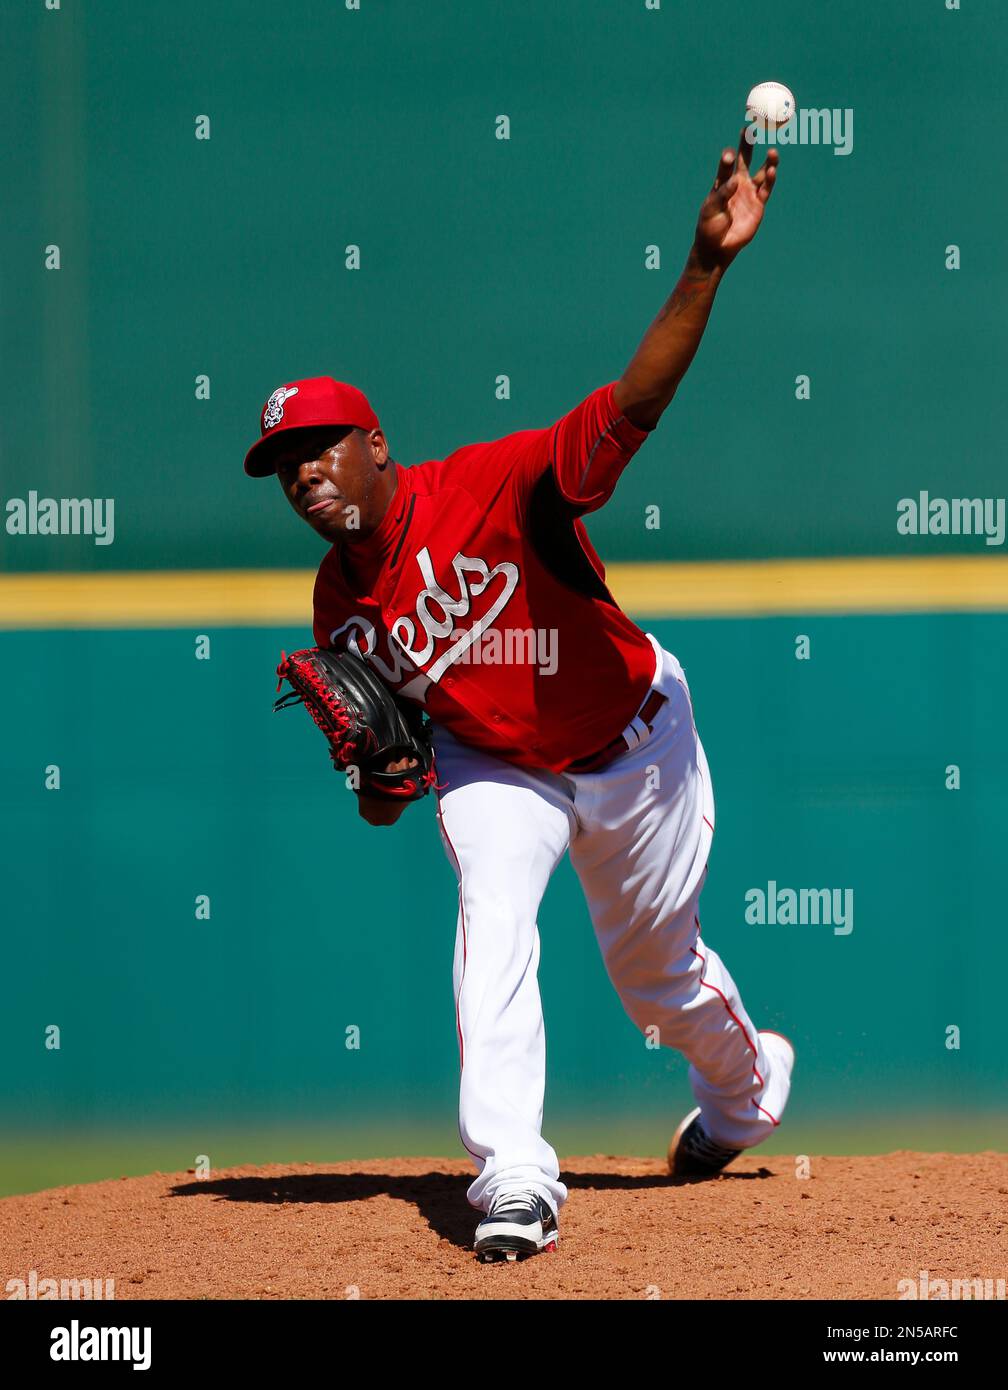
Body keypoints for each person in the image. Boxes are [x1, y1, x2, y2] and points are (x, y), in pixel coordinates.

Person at [244, 133, 794, 1263]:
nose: (303, 473)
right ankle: (513, 1174)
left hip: (635, 741)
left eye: (319, 449)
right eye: (283, 463)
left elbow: (630, 408)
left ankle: (748, 1088)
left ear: (377, 447)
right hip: (503, 767)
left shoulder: (494, 487)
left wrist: (706, 265)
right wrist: (376, 779)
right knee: (492, 914)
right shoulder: (335, 610)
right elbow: (385, 791)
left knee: (655, 981)